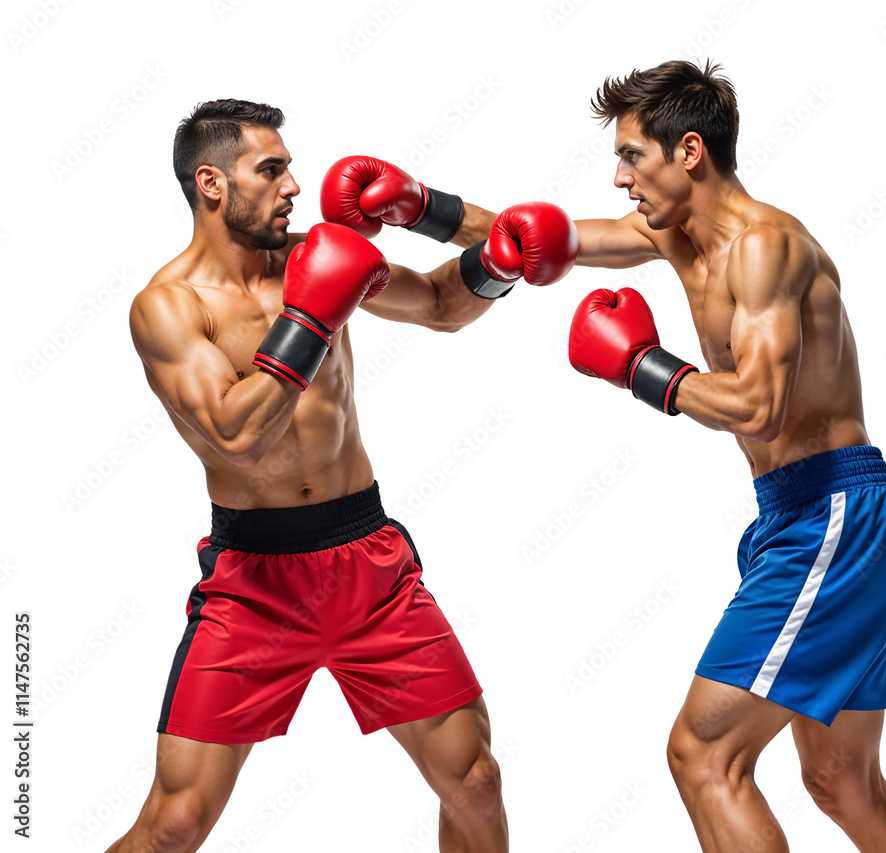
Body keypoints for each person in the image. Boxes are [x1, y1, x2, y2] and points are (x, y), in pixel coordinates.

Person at [332, 62, 886, 853]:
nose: (620, 179)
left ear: (690, 150)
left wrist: (640, 367)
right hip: (811, 519)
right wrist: (419, 207)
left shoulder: (765, 249)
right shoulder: (677, 234)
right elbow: (535, 240)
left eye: (633, 157)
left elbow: (758, 404)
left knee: (705, 755)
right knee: (843, 782)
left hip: (835, 520)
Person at [109, 98, 575, 853]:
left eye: (290, 165)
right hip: (254, 585)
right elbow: (237, 437)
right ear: (211, 183)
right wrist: (315, 314)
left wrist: (448, 223)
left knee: (476, 784)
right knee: (176, 823)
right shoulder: (167, 307)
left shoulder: (311, 256)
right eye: (271, 169)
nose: (294, 184)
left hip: (367, 564)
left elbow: (439, 305)